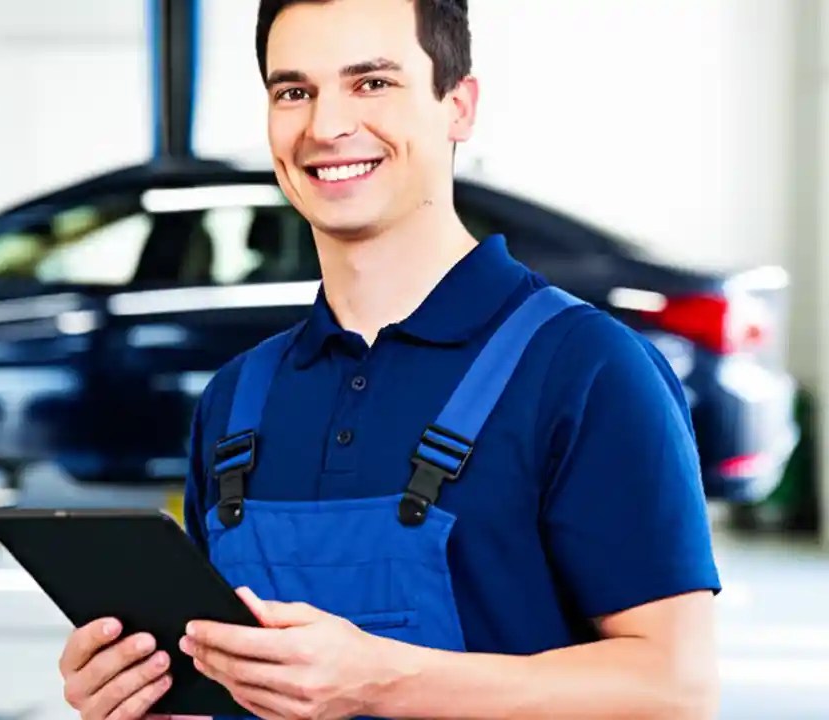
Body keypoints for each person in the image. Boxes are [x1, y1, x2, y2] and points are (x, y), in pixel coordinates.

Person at [57, 0, 722, 717]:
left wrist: (380, 680)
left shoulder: (586, 368)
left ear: (458, 105)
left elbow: (673, 688)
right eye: (294, 92)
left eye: (371, 83)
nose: (325, 126)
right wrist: (142, 696)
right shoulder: (237, 397)